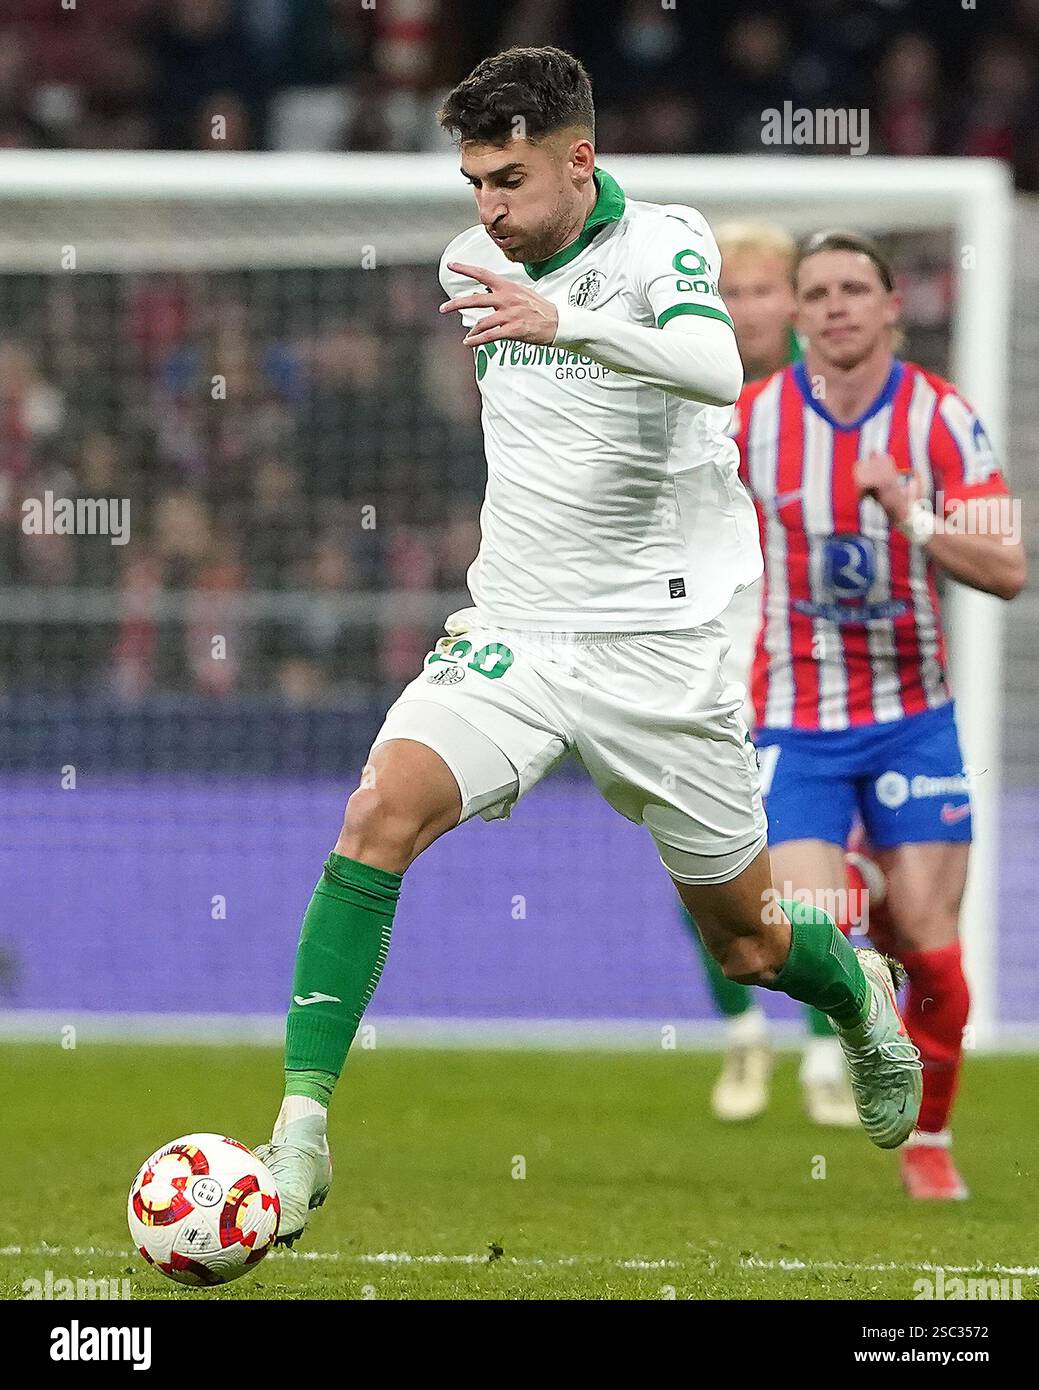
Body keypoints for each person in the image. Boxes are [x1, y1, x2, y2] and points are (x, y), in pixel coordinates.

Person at [254, 47, 922, 1247]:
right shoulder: (472, 260)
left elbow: (717, 367)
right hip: (516, 628)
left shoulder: (663, 240)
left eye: (509, 179)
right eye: (472, 183)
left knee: (749, 936)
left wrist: (563, 320)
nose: (488, 211)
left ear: (579, 159)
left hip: (663, 644)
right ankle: (298, 1126)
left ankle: (858, 994)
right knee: (376, 817)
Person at [735, 229, 1025, 1198]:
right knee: (801, 937)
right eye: (815, 291)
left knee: (934, 954)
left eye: (854, 288)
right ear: (795, 312)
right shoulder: (749, 421)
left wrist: (907, 509)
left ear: (892, 305)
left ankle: (930, 1141)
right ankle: (862, 932)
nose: (834, 306)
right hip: (794, 721)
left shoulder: (943, 420)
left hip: (912, 718)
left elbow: (1006, 569)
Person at [678, 222, 859, 1128]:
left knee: (810, 845)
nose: (746, 308)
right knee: (693, 844)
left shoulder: (827, 392)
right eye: (731, 292)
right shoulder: (689, 381)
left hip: (802, 639)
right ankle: (741, 1033)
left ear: (793, 299)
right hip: (700, 634)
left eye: (761, 291)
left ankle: (829, 1045)